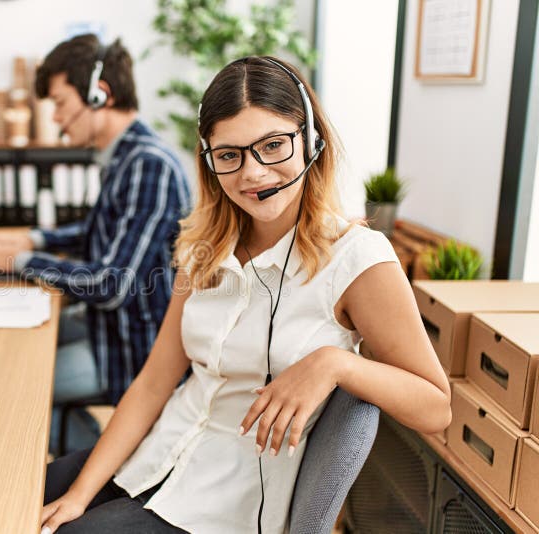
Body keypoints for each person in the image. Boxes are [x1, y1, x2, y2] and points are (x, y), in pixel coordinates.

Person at [39, 56, 452, 534]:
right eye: (229, 155)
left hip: (227, 504)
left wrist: (335, 363)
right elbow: (154, 384)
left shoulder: (357, 259)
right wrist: (80, 494)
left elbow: (436, 408)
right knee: (18, 495)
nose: (253, 173)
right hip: (156, 451)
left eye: (273, 146)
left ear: (311, 140)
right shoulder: (203, 246)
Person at [0, 34, 191, 453]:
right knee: (9, 349)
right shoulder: (126, 158)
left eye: (60, 103)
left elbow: (110, 284)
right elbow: (96, 230)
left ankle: (107, 471)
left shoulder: (148, 166)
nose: (56, 118)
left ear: (98, 94)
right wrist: (32, 237)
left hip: (131, 349)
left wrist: (21, 259)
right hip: (109, 329)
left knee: (9, 391)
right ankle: (96, 457)